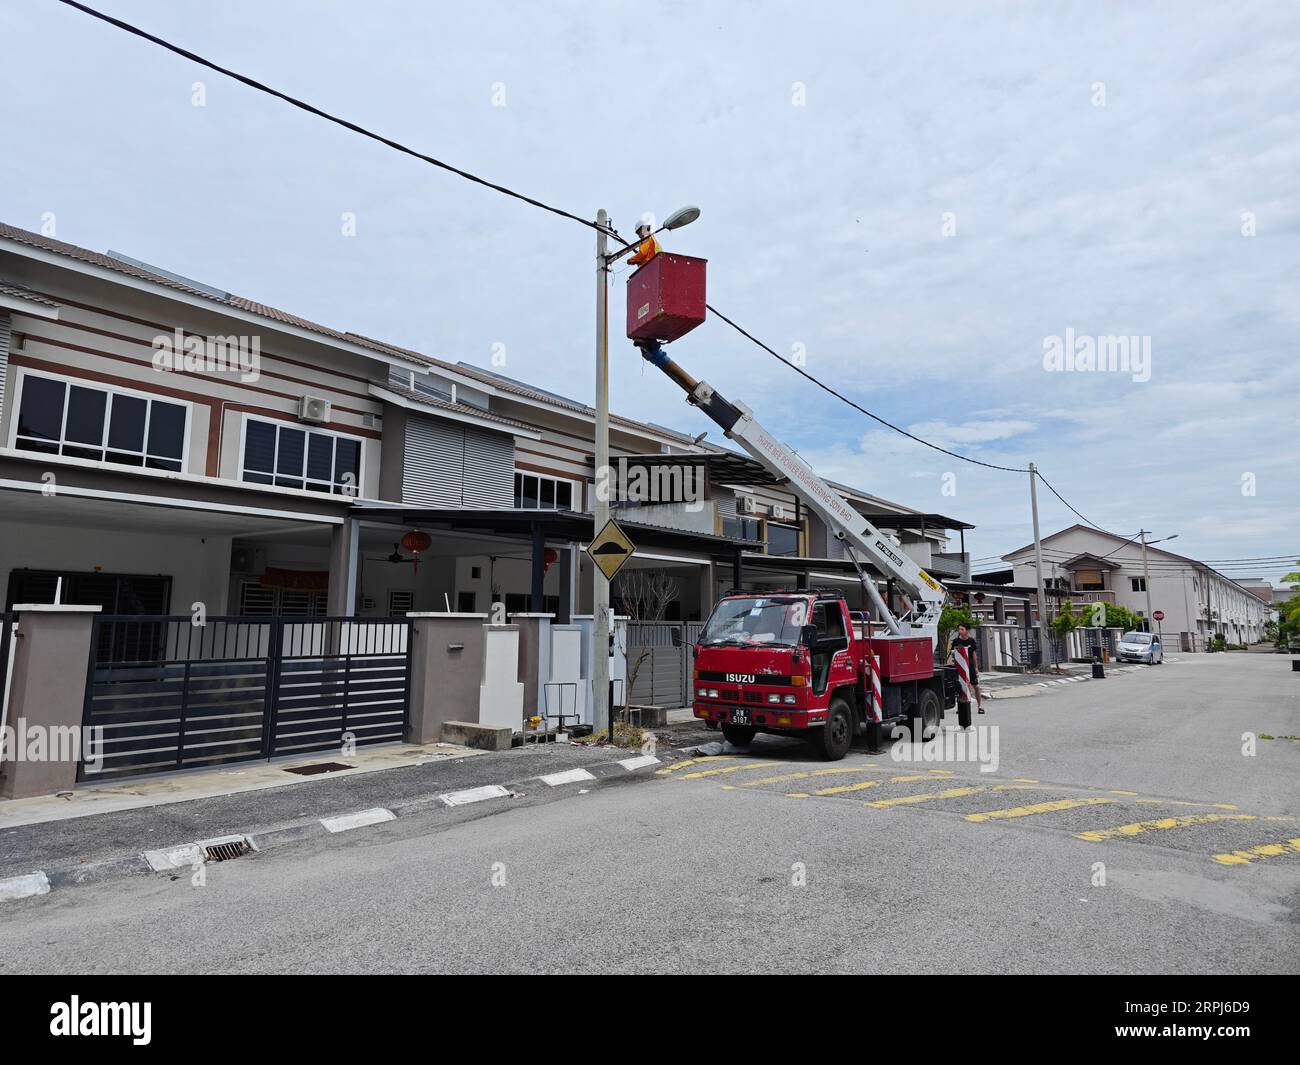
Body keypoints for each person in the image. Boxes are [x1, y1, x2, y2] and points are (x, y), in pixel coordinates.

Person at [950, 622, 984, 722]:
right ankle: (961, 707)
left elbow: (974, 655)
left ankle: (980, 706)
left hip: (970, 667)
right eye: (959, 629)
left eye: (962, 629)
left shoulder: (971, 641)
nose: (960, 631)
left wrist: (976, 668)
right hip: (960, 668)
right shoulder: (956, 641)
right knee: (961, 688)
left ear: (967, 630)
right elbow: (953, 654)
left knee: (976, 686)